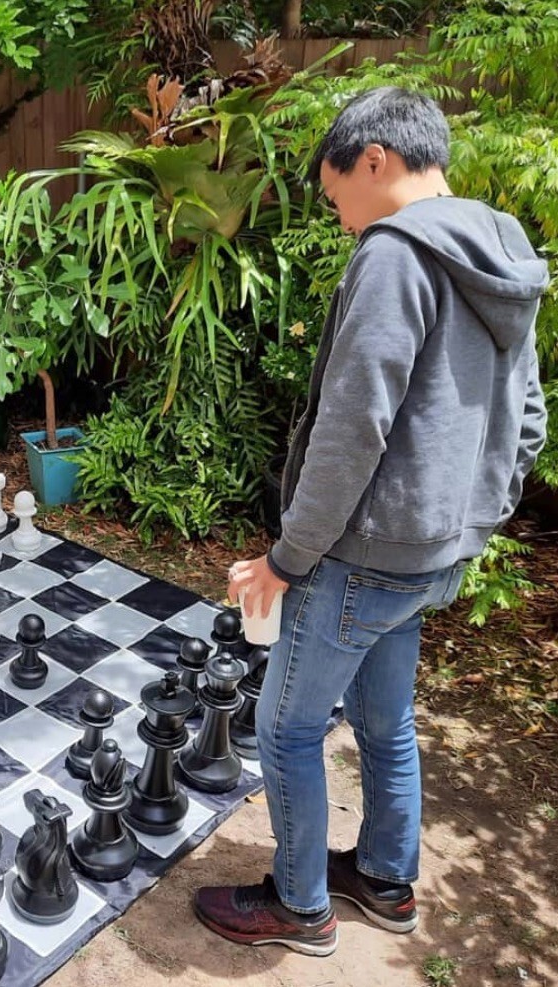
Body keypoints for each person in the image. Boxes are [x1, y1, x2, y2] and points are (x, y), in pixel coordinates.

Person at [193, 87, 548, 955]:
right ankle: (385, 883)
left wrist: (286, 557)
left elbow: (354, 428)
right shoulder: (501, 250)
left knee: (284, 725)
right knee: (385, 721)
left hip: (360, 556)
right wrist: (475, 518)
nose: (340, 215)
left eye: (333, 193)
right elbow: (528, 415)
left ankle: (299, 903)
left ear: (374, 160)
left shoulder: (395, 254)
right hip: (434, 552)